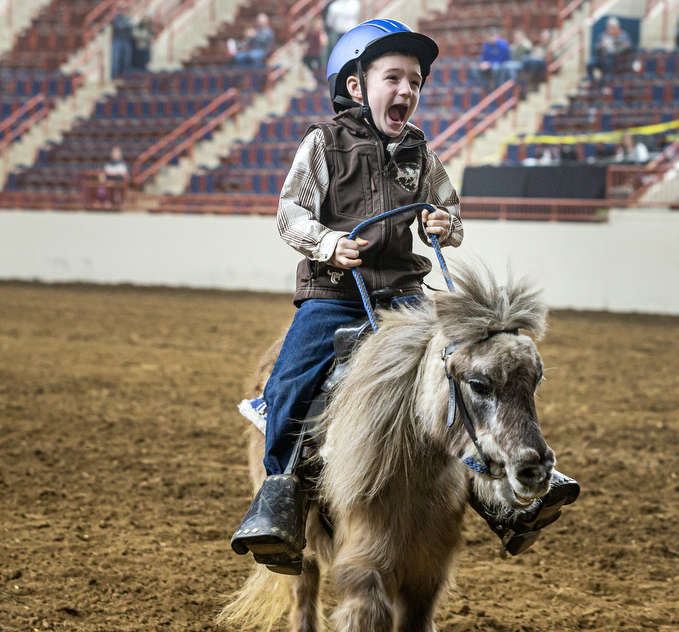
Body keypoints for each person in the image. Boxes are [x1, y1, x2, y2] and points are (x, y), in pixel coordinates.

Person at [230, 19, 577, 571]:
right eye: (393, 78)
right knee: (292, 377)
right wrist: (328, 243)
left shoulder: (419, 151)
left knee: (468, 370)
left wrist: (445, 223)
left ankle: (505, 493)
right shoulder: (322, 144)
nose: (407, 92)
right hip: (335, 295)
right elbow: (290, 213)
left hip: (407, 297)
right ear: (355, 87)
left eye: (415, 82)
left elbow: (449, 206)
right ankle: (280, 494)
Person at [302, 16, 328, 82]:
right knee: (306, 61)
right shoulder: (308, 33)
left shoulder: (317, 31)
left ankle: (319, 80)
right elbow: (305, 41)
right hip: (310, 53)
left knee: (320, 69)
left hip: (316, 53)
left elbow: (324, 41)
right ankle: (315, 76)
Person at [111, 12, 134, 79]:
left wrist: (126, 24)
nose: (124, 10)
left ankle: (126, 78)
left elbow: (131, 26)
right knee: (116, 61)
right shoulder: (116, 18)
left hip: (126, 41)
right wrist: (126, 24)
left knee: (127, 61)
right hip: (118, 41)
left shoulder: (128, 18)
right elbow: (119, 26)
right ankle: (115, 78)